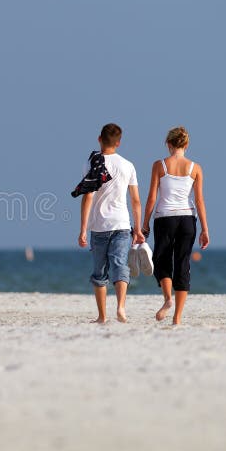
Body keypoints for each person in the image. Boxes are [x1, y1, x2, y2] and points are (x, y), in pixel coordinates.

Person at [142, 126, 210, 325]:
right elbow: (199, 201)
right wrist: (205, 229)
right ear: (186, 145)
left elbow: (152, 197)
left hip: (164, 218)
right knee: (183, 264)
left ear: (168, 144)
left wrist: (144, 224)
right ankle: (177, 318)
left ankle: (167, 299)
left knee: (161, 260)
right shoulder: (195, 168)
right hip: (188, 219)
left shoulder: (159, 165)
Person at [78, 123, 145, 323]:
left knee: (99, 272)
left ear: (99, 139)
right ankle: (121, 307)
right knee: (119, 265)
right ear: (118, 142)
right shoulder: (128, 165)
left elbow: (87, 197)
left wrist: (82, 229)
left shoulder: (91, 163)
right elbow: (135, 201)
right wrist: (138, 228)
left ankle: (101, 316)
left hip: (99, 226)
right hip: (122, 224)